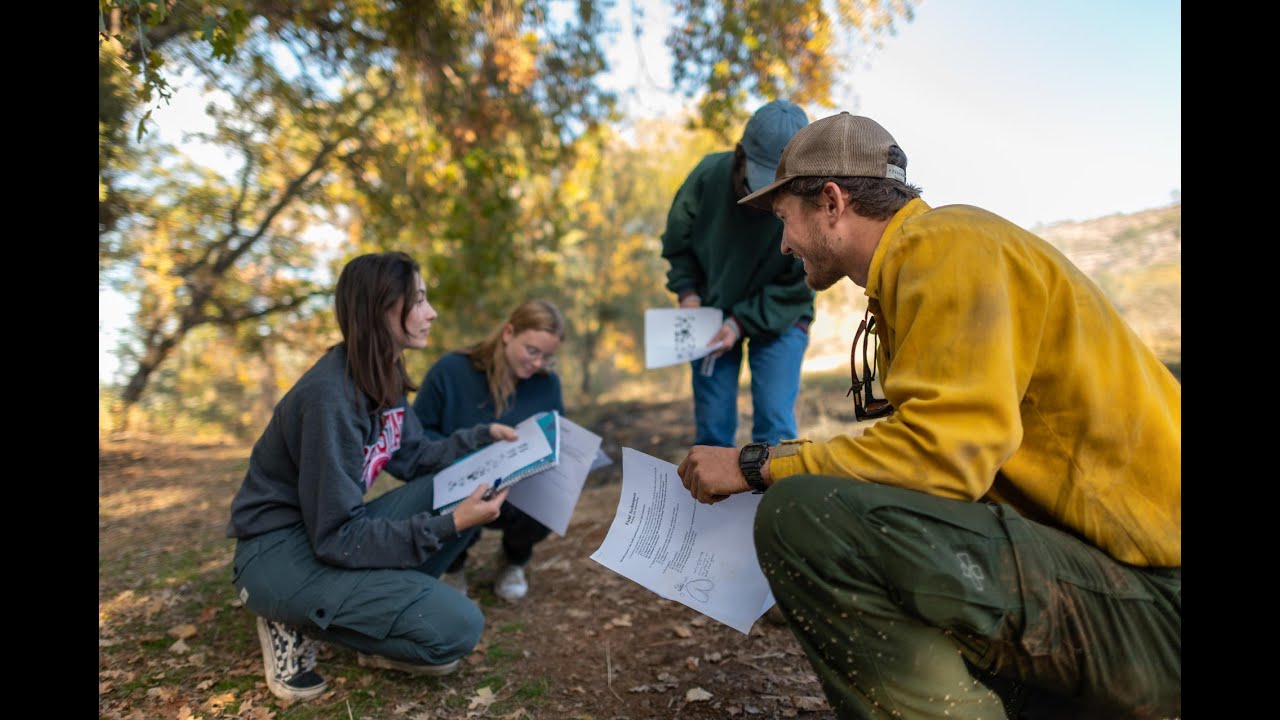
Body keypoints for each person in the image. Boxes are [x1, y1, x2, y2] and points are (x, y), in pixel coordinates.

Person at [675, 113, 1181, 719]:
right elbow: (943, 462)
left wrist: (758, 464)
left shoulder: (945, 247)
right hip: (1116, 584)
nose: (782, 244)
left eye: (785, 219)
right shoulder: (931, 257)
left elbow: (940, 457)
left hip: (1157, 602)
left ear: (831, 203)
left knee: (800, 517)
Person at [226, 252, 518, 703]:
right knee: (459, 628)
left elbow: (416, 457)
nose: (431, 312)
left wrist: (482, 438)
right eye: (418, 301)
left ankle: (356, 606)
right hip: (276, 553)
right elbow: (338, 535)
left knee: (463, 485)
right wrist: (449, 525)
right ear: (379, 310)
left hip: (321, 532)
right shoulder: (330, 398)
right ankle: (293, 618)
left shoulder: (384, 374)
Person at [660, 99, 816, 448]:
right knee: (713, 430)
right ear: (740, 155)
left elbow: (799, 284)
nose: (765, 200)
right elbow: (677, 242)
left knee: (775, 428)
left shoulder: (810, 203)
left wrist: (740, 323)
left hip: (780, 316)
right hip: (710, 315)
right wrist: (688, 295)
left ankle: (774, 503)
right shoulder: (707, 176)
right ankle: (715, 502)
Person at [412, 299, 566, 603]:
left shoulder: (547, 383)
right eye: (532, 351)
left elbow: (557, 435)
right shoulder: (451, 370)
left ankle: (513, 560)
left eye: (547, 357)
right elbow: (417, 435)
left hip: (515, 487)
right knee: (436, 498)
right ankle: (452, 566)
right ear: (508, 332)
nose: (537, 364)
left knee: (549, 494)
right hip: (457, 481)